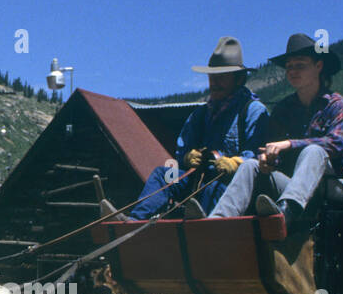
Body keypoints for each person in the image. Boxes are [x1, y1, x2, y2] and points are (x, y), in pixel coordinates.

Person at [102, 36, 269, 220]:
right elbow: (181, 154)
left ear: (239, 79)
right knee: (163, 174)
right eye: (211, 77)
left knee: (213, 186)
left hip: (230, 185)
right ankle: (135, 222)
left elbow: (258, 155)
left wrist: (236, 162)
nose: (214, 82)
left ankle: (201, 224)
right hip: (197, 179)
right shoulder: (201, 114)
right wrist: (188, 157)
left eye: (221, 77)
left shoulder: (253, 111)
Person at [208, 32, 343, 229]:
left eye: (300, 65)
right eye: (289, 67)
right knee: (250, 165)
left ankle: (284, 215)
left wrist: (290, 144)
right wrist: (269, 161)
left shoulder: (337, 105)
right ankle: (215, 222)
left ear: (318, 66)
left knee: (313, 151)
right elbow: (274, 152)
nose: (292, 71)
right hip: (291, 186)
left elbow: (336, 144)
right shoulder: (283, 109)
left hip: (329, 186)